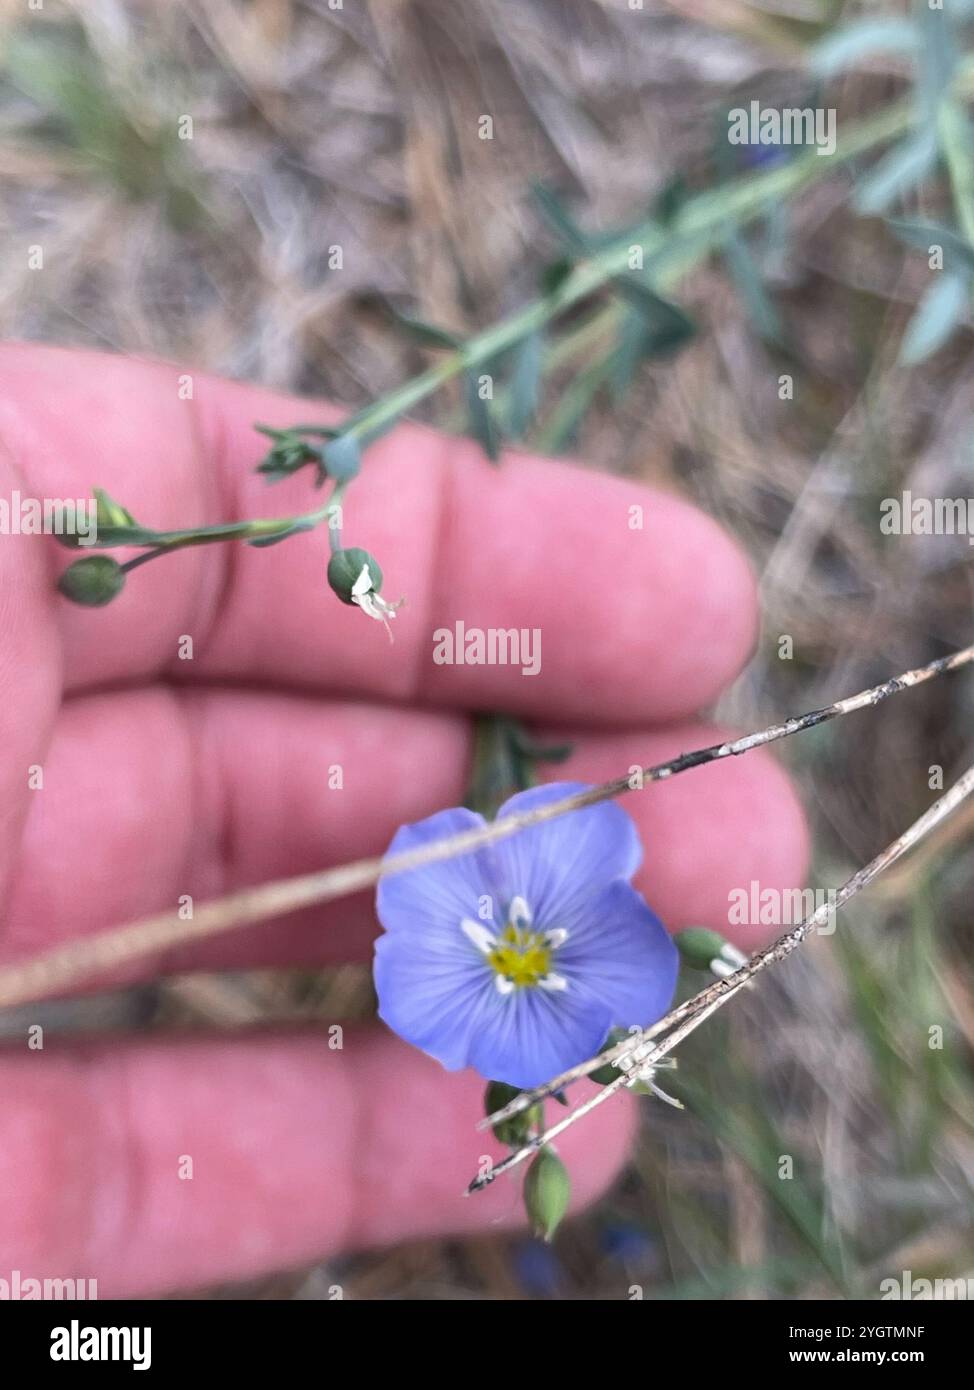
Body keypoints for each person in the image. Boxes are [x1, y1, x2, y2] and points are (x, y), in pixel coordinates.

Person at [0, 343, 808, 1296]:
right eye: (525, 958)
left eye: (523, 960)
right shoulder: (499, 946)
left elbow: (586, 963)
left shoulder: (561, 972)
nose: (521, 957)